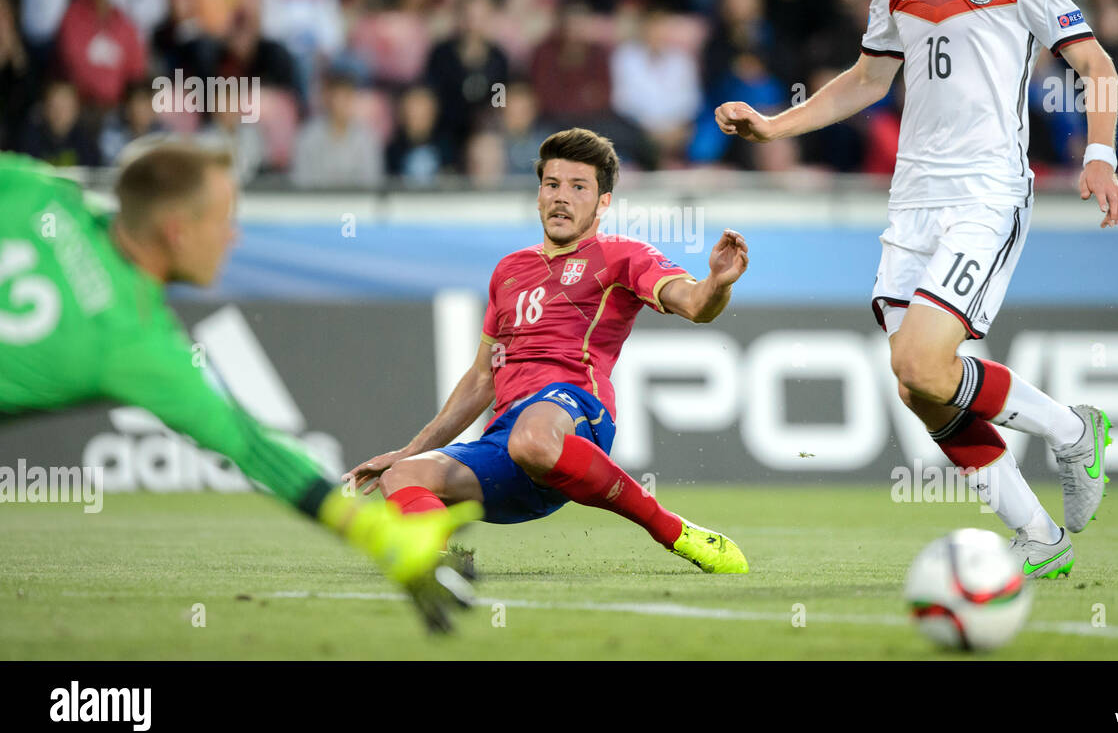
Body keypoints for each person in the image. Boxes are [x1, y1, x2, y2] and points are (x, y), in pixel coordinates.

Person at [716, 0, 1118, 579]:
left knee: (926, 362)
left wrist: (1099, 154)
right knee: (917, 385)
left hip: (986, 190)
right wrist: (773, 126)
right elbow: (868, 79)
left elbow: (1097, 65)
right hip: (912, 200)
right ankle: (1038, 534)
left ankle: (1073, 428)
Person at [0, 139, 481, 631]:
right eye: (223, 220)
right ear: (177, 233)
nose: (234, 237)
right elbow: (253, 448)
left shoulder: (39, 191)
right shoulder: (135, 346)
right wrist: (381, 537)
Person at [347, 128, 750, 574]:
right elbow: (483, 377)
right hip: (509, 445)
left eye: (578, 187)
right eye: (552, 185)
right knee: (400, 478)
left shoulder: (622, 255)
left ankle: (673, 531)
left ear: (604, 203)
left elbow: (695, 305)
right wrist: (408, 451)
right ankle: (444, 566)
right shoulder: (509, 270)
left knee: (533, 438)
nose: (561, 197)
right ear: (538, 194)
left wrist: (716, 283)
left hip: (575, 416)